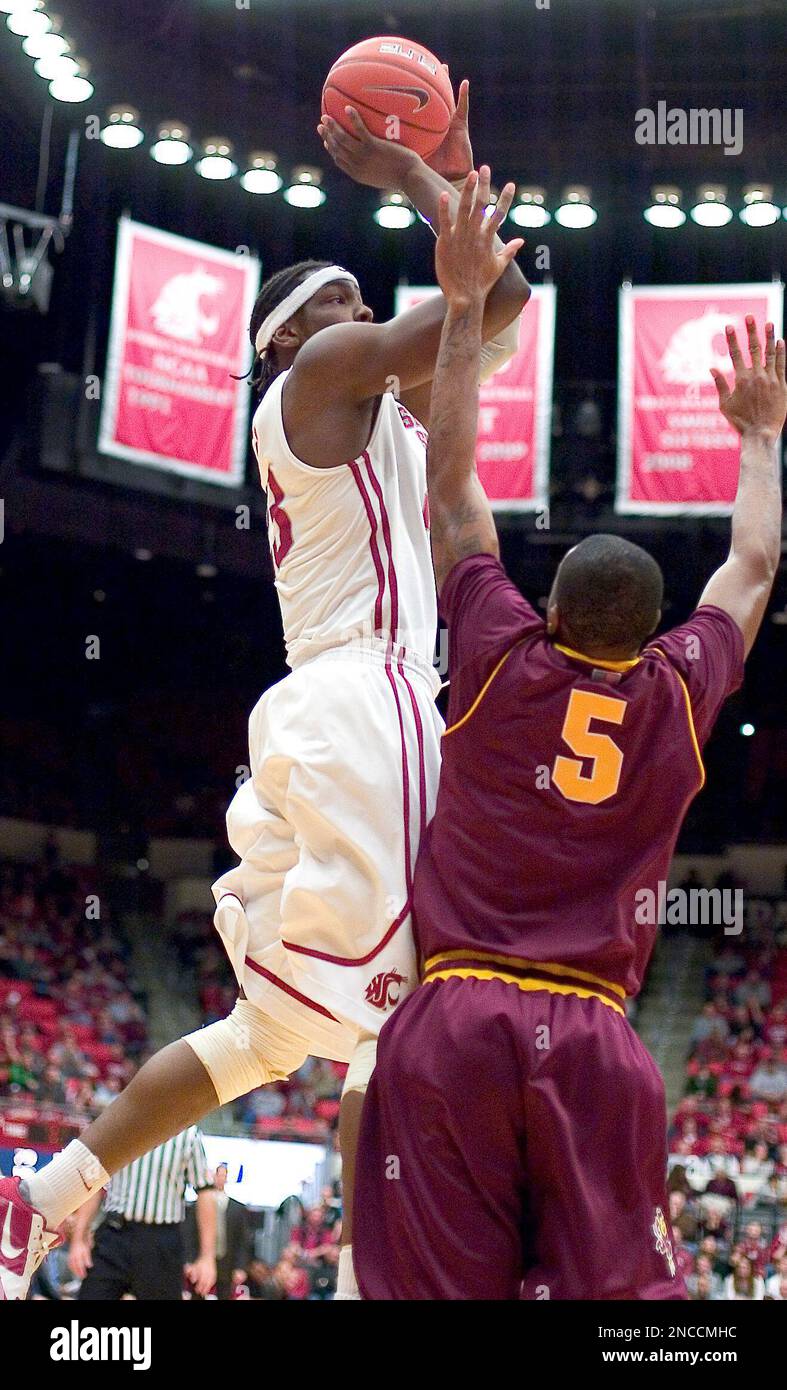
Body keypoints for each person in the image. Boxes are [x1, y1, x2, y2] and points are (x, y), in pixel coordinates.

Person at [0, 84, 529, 1302]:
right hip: (374, 702)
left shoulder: (366, 405)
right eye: (340, 299)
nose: (360, 308)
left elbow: (492, 303)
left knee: (272, 1038)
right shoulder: (329, 368)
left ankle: (45, 1193)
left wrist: (436, 177)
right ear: (292, 337)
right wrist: (410, 177)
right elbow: (463, 300)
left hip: (328, 711)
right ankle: (389, 1270)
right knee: (416, 1004)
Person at [353, 168, 787, 1298]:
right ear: (654, 635)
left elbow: (451, 488)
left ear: (547, 612)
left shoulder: (499, 649)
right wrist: (758, 439)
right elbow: (748, 567)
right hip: (593, 1036)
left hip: (454, 1019)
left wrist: (459, 309)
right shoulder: (676, 690)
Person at [66, 1127, 216, 1301]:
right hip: (114, 1234)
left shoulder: (188, 1133)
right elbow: (94, 1181)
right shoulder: (120, 1122)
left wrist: (207, 1257)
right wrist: (78, 1240)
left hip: (161, 1242)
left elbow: (205, 1191)